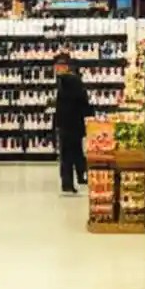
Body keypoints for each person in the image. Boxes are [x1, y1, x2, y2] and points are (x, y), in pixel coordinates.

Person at [53, 52, 93, 196]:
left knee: (67, 155)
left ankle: (68, 183)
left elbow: (66, 104)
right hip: (75, 123)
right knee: (76, 152)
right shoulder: (75, 80)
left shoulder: (64, 81)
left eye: (58, 66)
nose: (56, 69)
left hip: (66, 123)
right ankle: (81, 176)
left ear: (64, 66)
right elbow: (84, 102)